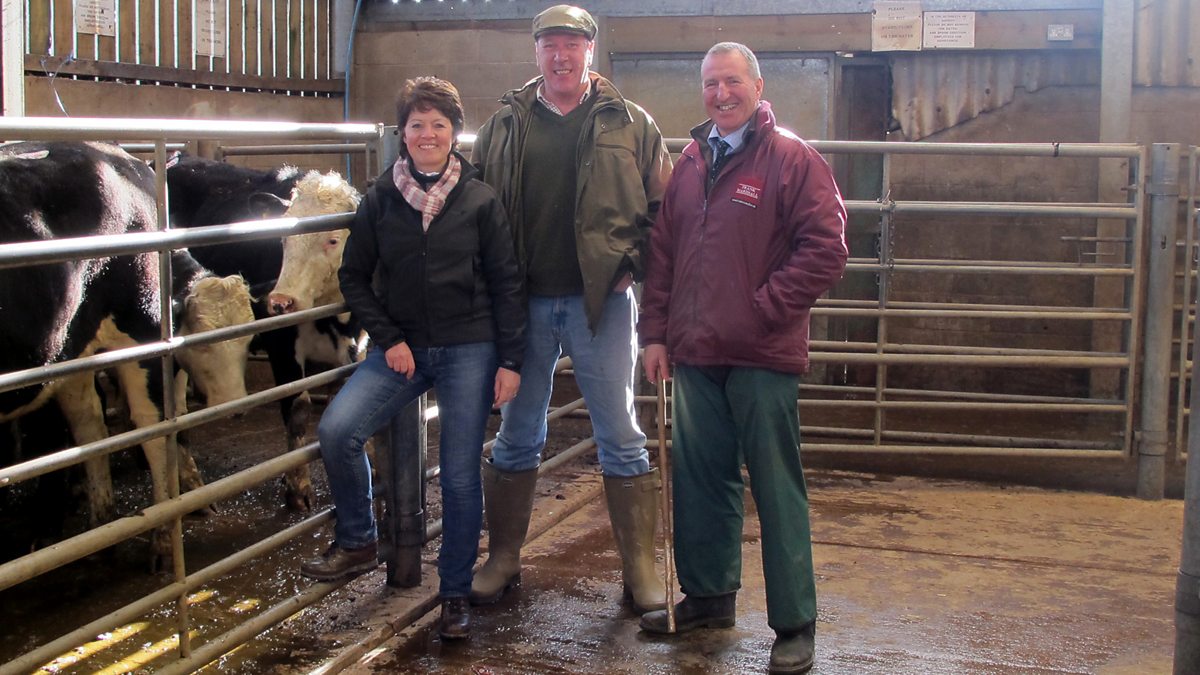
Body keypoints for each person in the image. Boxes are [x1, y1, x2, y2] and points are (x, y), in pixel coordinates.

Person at [637, 42, 848, 675]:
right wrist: (656, 334)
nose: (720, 94)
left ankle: (794, 624)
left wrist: (762, 308)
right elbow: (665, 255)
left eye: (731, 82)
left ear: (757, 87)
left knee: (777, 487)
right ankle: (708, 597)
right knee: (701, 480)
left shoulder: (792, 159)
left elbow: (826, 247)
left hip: (761, 355)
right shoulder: (693, 161)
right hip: (696, 354)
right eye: (710, 84)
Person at [300, 76, 525, 641]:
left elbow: (506, 284)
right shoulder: (380, 199)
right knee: (338, 430)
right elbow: (354, 276)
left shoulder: (479, 199)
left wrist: (511, 360)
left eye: (439, 125)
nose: (427, 135)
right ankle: (357, 538)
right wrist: (389, 336)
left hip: (470, 346)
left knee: (455, 476)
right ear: (403, 134)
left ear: (455, 133)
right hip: (401, 346)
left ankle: (452, 594)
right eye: (417, 125)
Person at [469, 4, 673, 615]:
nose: (561, 55)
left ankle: (640, 572)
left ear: (591, 50)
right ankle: (503, 557)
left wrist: (633, 266)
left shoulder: (630, 123)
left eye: (572, 44)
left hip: (602, 304)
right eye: (550, 44)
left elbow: (662, 209)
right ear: (536, 52)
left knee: (620, 434)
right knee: (517, 432)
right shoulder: (504, 126)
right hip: (524, 303)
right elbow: (476, 210)